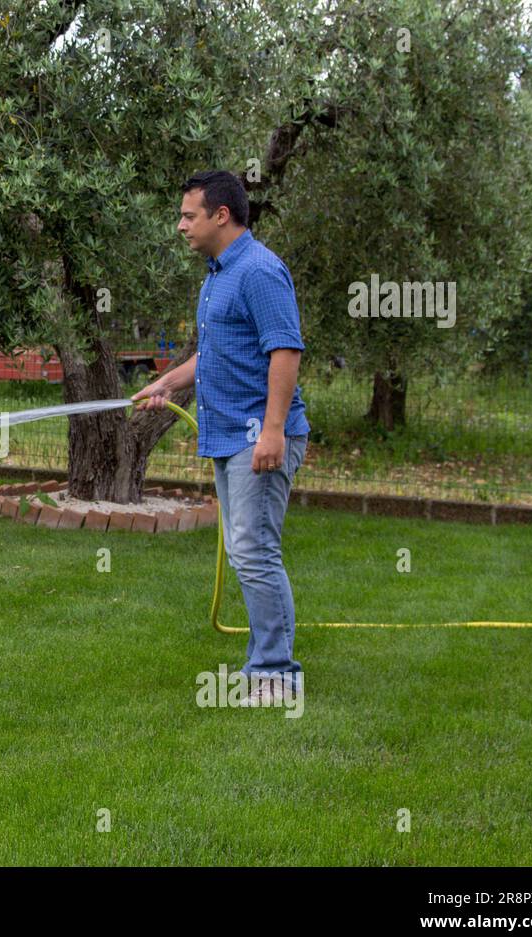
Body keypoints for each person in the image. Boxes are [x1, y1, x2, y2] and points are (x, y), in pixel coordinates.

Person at [133, 170, 310, 706]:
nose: (181, 226)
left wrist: (274, 431)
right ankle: (265, 665)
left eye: (189, 215)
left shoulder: (258, 271)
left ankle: (276, 677)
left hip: (258, 437)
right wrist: (167, 380)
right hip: (230, 435)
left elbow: (286, 350)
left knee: (255, 553)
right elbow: (215, 356)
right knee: (245, 551)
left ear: (221, 216)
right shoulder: (217, 276)